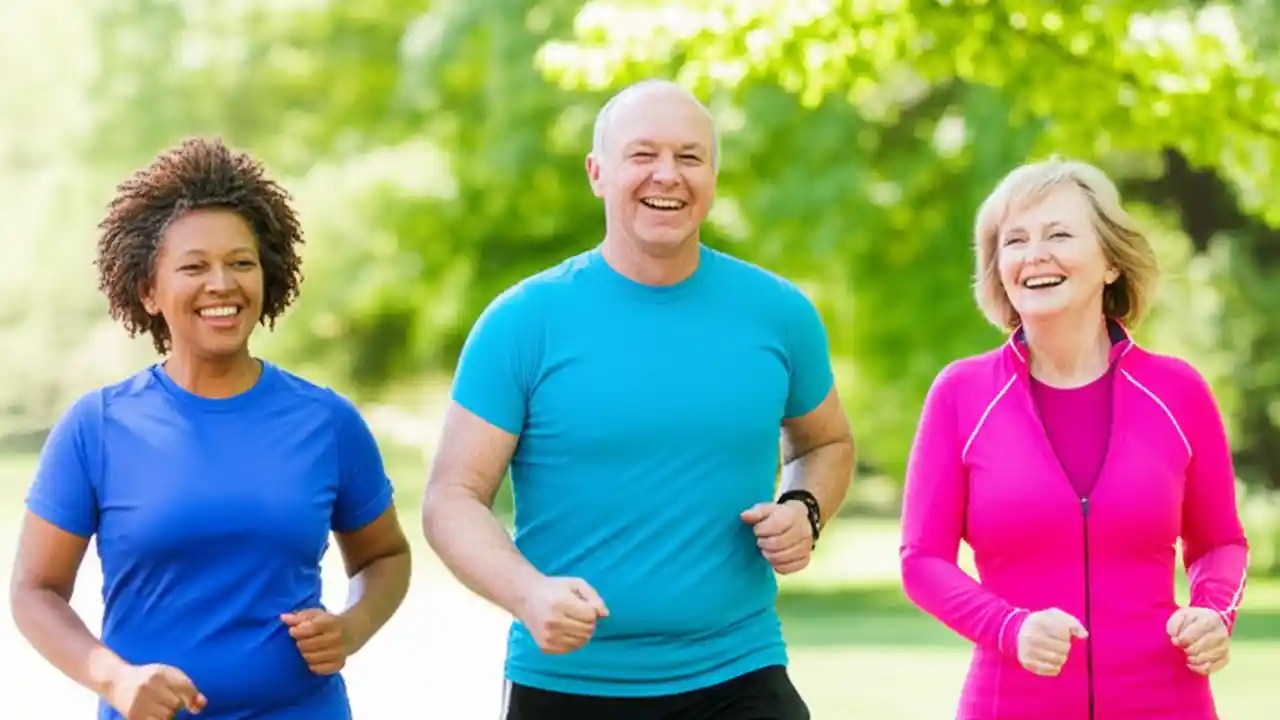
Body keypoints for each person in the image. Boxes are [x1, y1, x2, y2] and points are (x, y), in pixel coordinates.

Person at [421, 79, 855, 720]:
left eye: (689, 157)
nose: (668, 176)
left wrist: (805, 506)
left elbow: (827, 442)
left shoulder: (778, 314)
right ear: (597, 173)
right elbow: (451, 497)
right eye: (642, 154)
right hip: (570, 683)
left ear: (712, 174)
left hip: (739, 671)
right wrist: (529, 594)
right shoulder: (523, 322)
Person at [10, 137, 413, 720]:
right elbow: (34, 590)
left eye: (241, 263)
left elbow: (386, 556)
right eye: (194, 266)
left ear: (267, 277)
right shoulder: (96, 427)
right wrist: (116, 679)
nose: (221, 284)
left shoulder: (327, 422)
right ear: (149, 291)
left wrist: (350, 628)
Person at [899, 157, 1250, 719]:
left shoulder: (1178, 392)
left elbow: (1220, 543)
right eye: (1014, 240)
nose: (1034, 253)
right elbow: (921, 560)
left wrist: (1213, 613)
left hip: (1165, 702)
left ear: (1111, 262)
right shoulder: (961, 394)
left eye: (1058, 233)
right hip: (1009, 704)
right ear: (999, 269)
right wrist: (1009, 628)